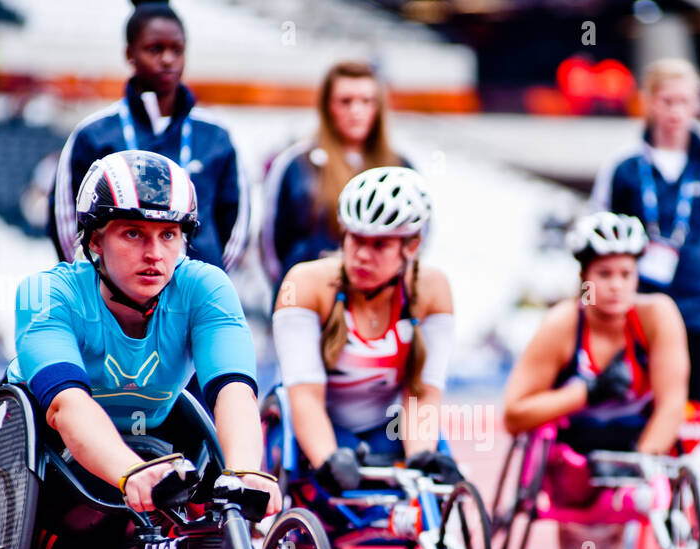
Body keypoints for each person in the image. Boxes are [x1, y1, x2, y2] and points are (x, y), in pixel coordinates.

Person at [9, 150, 279, 515]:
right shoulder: (45, 293)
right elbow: (64, 406)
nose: (154, 254)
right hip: (43, 441)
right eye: (133, 233)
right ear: (95, 241)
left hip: (151, 436)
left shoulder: (206, 287)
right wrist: (130, 470)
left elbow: (235, 391)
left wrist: (244, 472)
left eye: (168, 235)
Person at [502, 211, 689, 549]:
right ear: (584, 277)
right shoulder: (562, 324)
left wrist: (644, 461)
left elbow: (672, 404)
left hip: (634, 446)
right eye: (604, 274)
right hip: (576, 456)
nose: (616, 286)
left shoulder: (657, 315)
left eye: (626, 274)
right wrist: (586, 392)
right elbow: (515, 415)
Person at [269, 166, 457, 501]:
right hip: (314, 425)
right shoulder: (305, 283)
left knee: (434, 485)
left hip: (386, 429)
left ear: (412, 246)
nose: (362, 256)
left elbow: (423, 394)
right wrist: (327, 458)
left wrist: (420, 457)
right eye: (356, 239)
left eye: (379, 244)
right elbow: (305, 396)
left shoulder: (433, 288)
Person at [51, 2, 248, 273]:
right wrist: (97, 282)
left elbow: (235, 224)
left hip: (194, 291)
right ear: (130, 54)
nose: (167, 59)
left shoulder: (216, 136)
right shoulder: (93, 134)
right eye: (155, 49)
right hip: (114, 294)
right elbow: (67, 223)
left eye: (177, 50)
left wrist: (205, 280)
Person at [591, 58, 700, 405]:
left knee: (693, 408)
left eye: (684, 101)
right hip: (634, 308)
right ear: (649, 102)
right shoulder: (624, 167)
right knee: (634, 404)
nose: (675, 111)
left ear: (697, 105)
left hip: (697, 312)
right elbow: (597, 235)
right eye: (667, 101)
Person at [261, 61, 410, 288]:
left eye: (366, 101)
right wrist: (291, 290)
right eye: (345, 101)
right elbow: (271, 244)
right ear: (328, 105)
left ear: (378, 107)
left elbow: (415, 238)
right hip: (309, 294)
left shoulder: (400, 168)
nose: (356, 110)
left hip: (380, 299)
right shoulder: (295, 164)